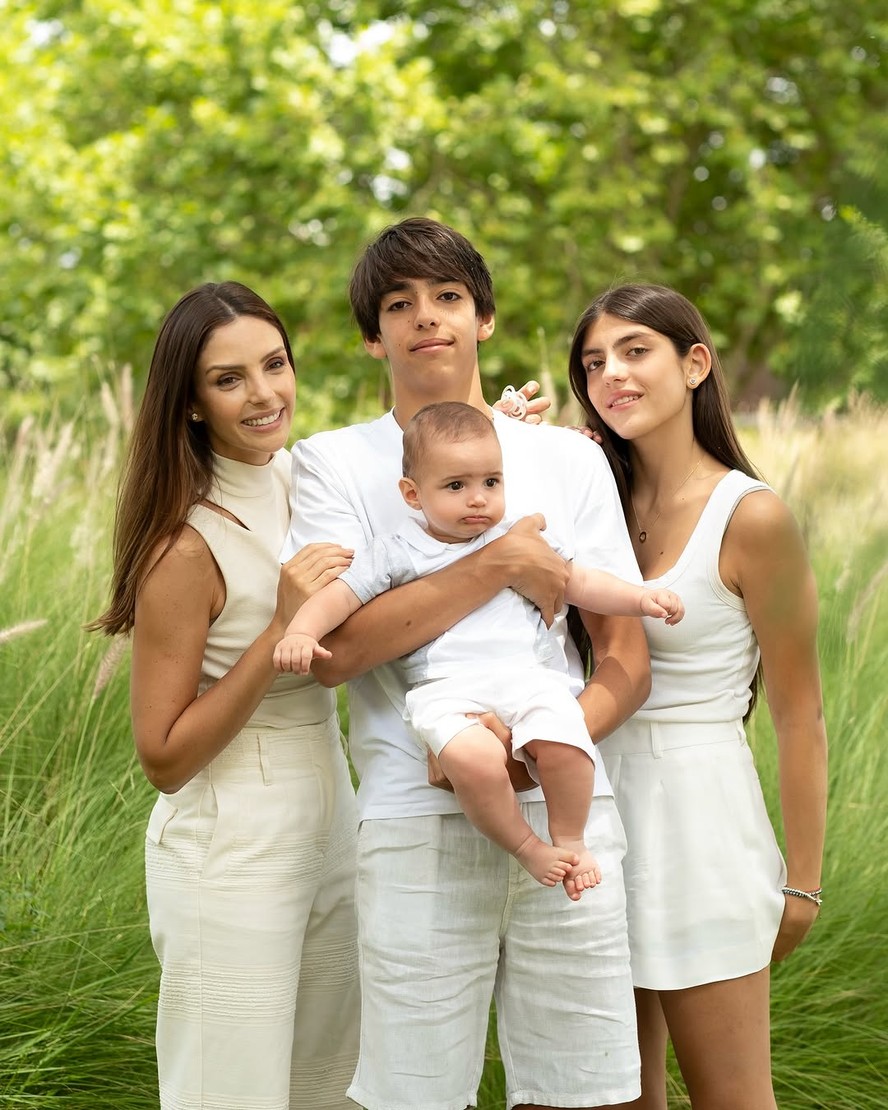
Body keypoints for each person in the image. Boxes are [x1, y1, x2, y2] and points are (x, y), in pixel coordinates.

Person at [281, 217, 651, 1110]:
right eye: (399, 305)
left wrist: (533, 747)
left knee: (583, 1089)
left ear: (483, 317)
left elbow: (626, 661)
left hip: (568, 807)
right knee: (414, 1092)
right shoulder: (331, 464)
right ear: (373, 336)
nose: (426, 319)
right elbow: (335, 653)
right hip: (417, 808)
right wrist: (497, 563)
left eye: (448, 297)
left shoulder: (566, 458)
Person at [89, 282, 361, 1110]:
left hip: (333, 819)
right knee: (229, 1094)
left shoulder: (307, 477)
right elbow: (163, 757)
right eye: (230, 378)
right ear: (193, 402)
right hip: (230, 843)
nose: (265, 393)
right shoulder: (184, 545)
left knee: (331, 1088)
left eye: (273, 365)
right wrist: (276, 631)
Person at [566, 283, 828, 1110]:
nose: (613, 374)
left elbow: (799, 714)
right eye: (594, 362)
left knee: (733, 1100)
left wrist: (804, 882)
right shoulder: (588, 499)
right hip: (596, 824)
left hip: (702, 829)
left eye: (636, 351)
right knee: (619, 1100)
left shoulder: (751, 517)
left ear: (696, 363)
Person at [275, 400, 683, 900]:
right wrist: (300, 631)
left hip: (530, 679)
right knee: (472, 760)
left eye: (491, 482)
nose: (477, 499)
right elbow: (340, 597)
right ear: (412, 493)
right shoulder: (399, 550)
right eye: (456, 486)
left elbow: (579, 582)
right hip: (450, 692)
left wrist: (641, 598)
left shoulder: (519, 535)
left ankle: (570, 840)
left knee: (567, 743)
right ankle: (526, 846)